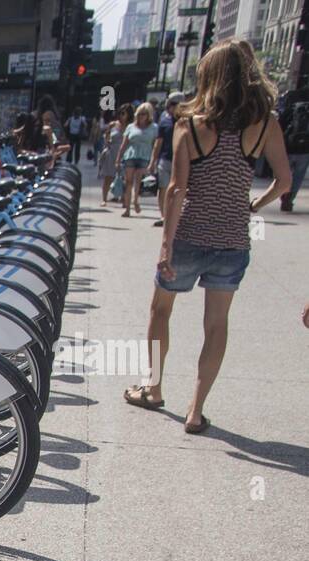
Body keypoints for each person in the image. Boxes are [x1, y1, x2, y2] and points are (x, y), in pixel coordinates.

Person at [124, 40, 292, 434]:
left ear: (209, 76)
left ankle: (154, 387)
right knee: (216, 324)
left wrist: (166, 243)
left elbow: (177, 191)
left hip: (188, 237)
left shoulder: (190, 125)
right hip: (233, 241)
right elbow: (284, 181)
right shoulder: (265, 123)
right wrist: (254, 204)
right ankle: (196, 410)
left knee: (160, 311)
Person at [148, 92, 185, 226]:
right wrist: (153, 161)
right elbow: (158, 143)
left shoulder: (187, 122)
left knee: (179, 190)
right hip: (165, 159)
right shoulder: (164, 122)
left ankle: (176, 216)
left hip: (182, 161)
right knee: (163, 188)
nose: (170, 108)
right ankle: (164, 216)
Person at [116, 101, 157, 217]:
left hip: (145, 157)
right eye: (139, 113)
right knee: (128, 182)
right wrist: (118, 160)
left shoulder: (153, 128)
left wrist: (154, 161)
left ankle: (136, 201)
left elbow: (155, 145)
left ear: (148, 115)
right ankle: (128, 209)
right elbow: (123, 145)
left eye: (144, 114)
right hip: (131, 155)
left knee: (138, 181)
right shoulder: (131, 127)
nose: (141, 116)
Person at [277, 84, 309, 211]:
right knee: (298, 175)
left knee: (285, 172)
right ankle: (289, 198)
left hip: (289, 145)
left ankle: (283, 192)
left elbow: (282, 122)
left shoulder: (293, 98)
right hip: (306, 148)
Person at [97, 107, 124, 203]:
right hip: (112, 151)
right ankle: (104, 199)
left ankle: (121, 197)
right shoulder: (113, 125)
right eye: (122, 113)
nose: (123, 116)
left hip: (124, 153)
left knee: (123, 177)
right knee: (108, 176)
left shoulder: (130, 126)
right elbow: (106, 136)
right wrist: (107, 141)